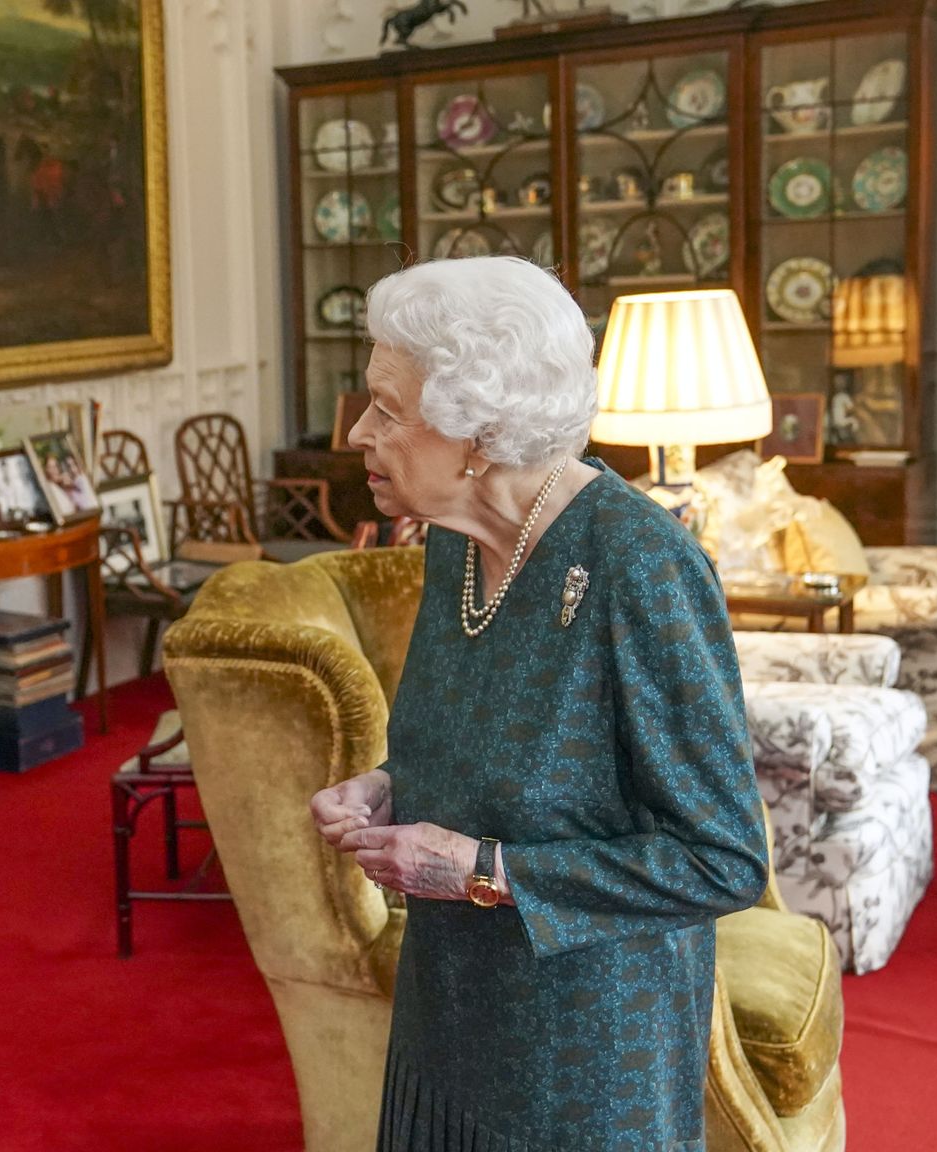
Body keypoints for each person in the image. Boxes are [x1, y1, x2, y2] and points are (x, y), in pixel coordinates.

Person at [309, 257, 767, 1150]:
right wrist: (390, 784)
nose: (358, 432)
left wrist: (484, 869)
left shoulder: (642, 566)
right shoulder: (455, 539)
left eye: (387, 410)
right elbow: (503, 745)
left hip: (585, 1051)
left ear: (478, 429)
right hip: (449, 1009)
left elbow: (722, 859)